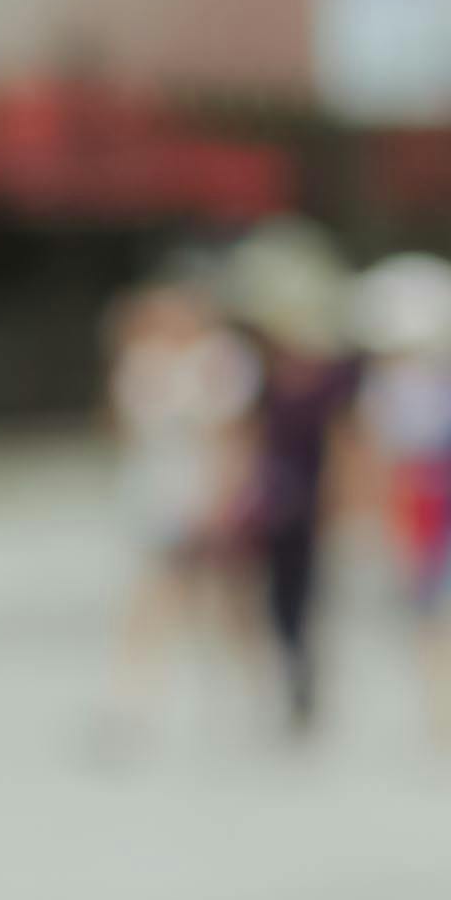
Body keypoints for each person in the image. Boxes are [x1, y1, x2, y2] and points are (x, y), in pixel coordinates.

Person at [91, 260, 257, 756]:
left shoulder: (220, 360)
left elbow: (233, 437)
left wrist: (223, 496)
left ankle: (238, 701)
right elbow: (123, 430)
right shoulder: (141, 363)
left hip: (205, 493)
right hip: (156, 493)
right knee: (152, 600)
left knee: (223, 600)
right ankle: (132, 702)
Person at [352, 250, 451, 758]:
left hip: (443, 509)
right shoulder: (394, 384)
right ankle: (443, 718)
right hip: (412, 505)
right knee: (426, 618)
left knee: (438, 617)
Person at [224, 222, 361, 743]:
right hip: (270, 492)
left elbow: (345, 436)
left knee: (305, 596)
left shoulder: (335, 371)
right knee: (263, 597)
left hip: (311, 493)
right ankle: (273, 685)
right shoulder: (258, 365)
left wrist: (346, 495)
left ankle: (303, 683)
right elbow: (247, 434)